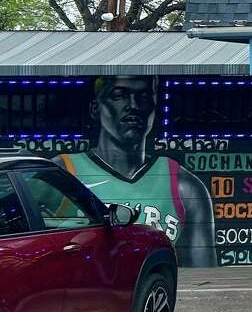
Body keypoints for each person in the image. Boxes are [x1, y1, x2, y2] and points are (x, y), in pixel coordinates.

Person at [57, 76, 216, 267]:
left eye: (144, 97)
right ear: (95, 108)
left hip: (149, 292)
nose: (133, 105)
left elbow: (204, 278)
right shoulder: (63, 172)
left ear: (154, 108)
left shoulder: (185, 186)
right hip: (81, 291)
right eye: (118, 95)